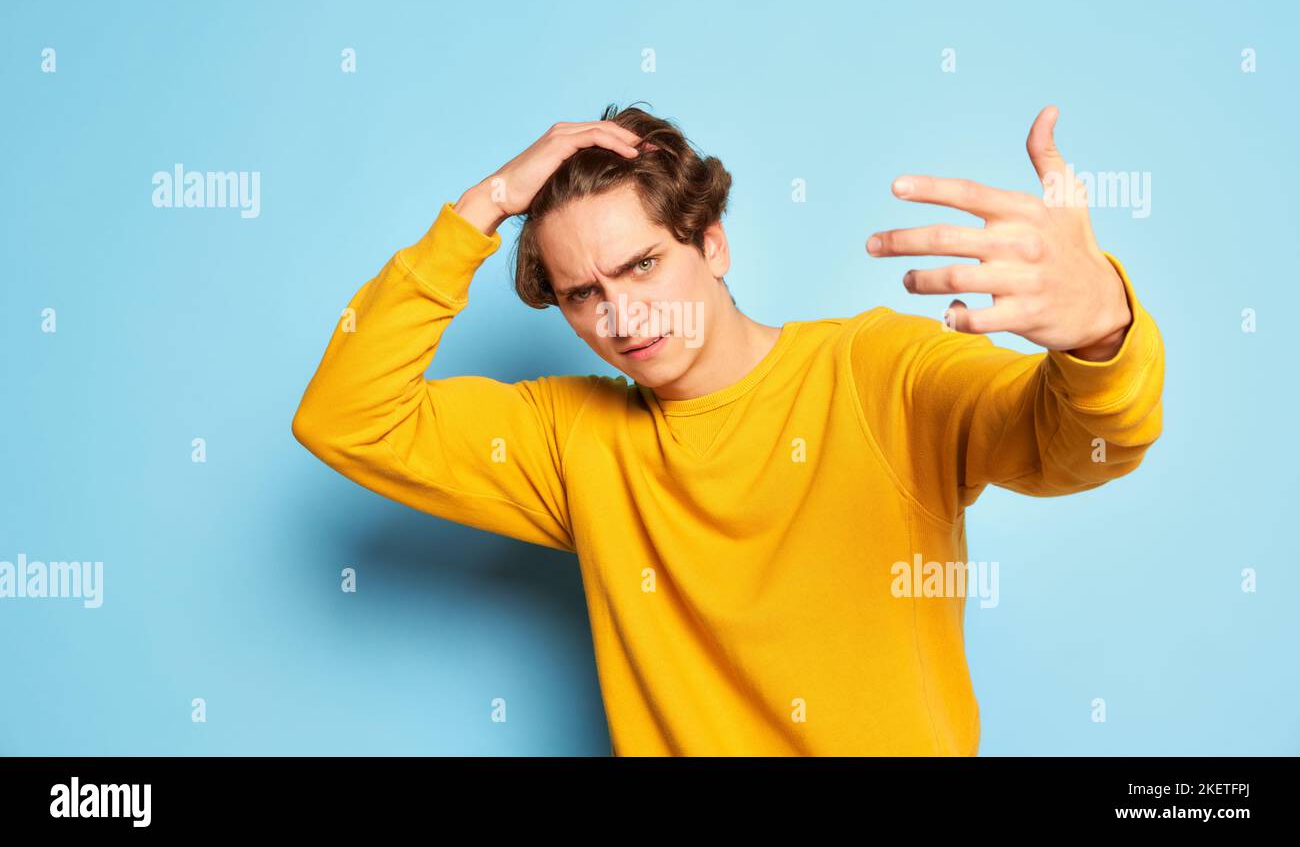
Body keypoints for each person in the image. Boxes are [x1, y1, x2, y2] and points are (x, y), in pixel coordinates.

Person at [291, 102, 1164, 756]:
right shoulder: (570, 439)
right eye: (584, 293)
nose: (622, 313)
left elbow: (1073, 445)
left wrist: (1102, 328)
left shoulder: (874, 371)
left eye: (642, 263)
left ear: (711, 245)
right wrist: (484, 206)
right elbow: (346, 415)